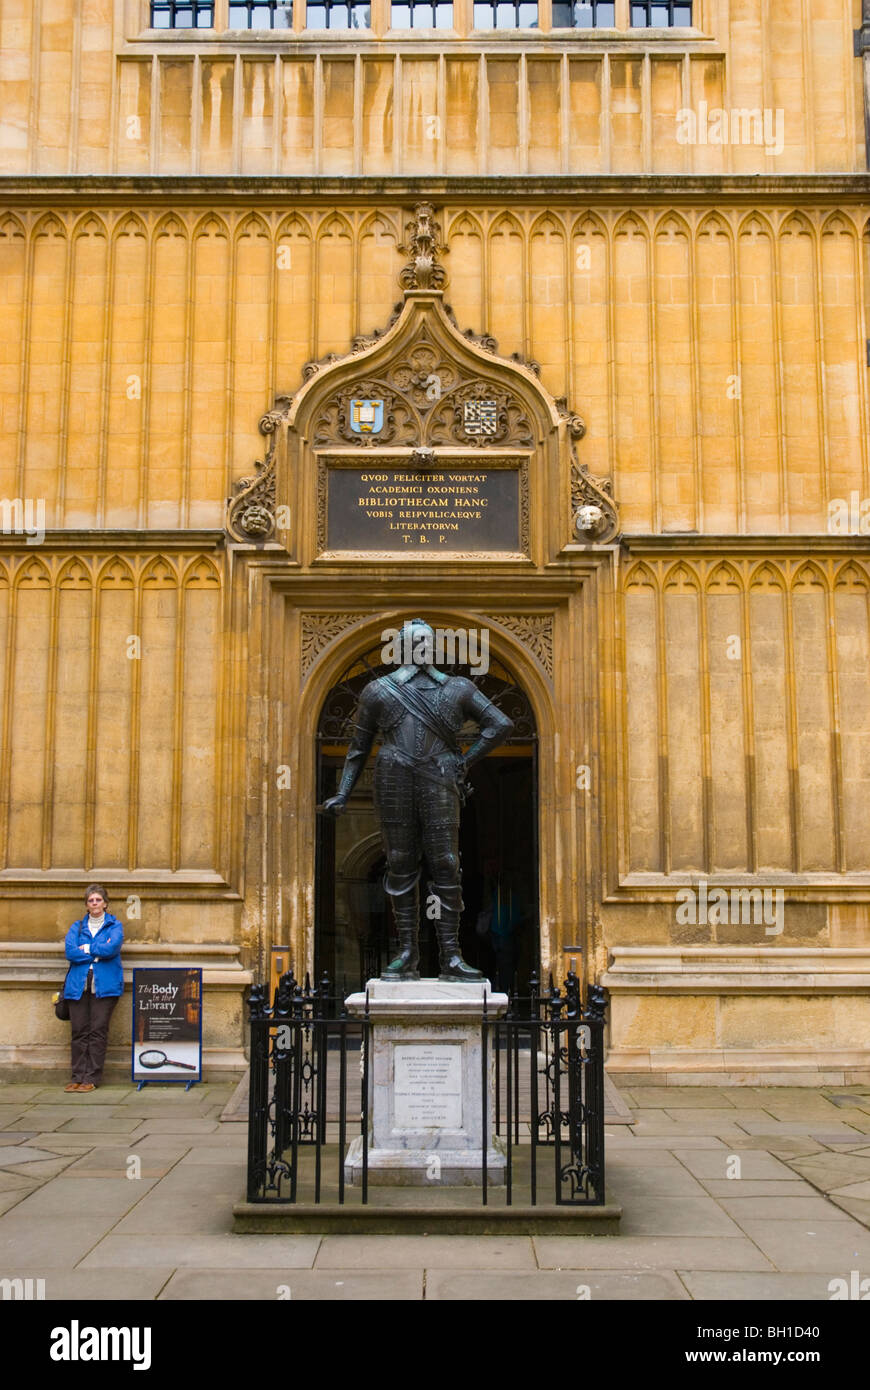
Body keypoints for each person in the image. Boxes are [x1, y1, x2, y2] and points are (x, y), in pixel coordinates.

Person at [320, 618, 514, 981]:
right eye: (416, 642)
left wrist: (464, 760)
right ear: (404, 648)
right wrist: (343, 793)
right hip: (393, 776)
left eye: (428, 642)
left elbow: (500, 723)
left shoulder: (458, 688)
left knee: (445, 861)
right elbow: (358, 747)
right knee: (399, 862)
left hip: (439, 778)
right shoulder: (379, 691)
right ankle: (406, 952)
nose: (423, 648)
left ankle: (451, 956)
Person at [62, 885, 124, 1092]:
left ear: (105, 903)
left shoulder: (115, 926)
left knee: (97, 1032)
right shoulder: (77, 927)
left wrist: (87, 948)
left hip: (105, 986)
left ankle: (92, 1078)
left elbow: (112, 948)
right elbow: (70, 952)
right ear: (87, 905)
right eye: (91, 900)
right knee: (79, 1032)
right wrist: (97, 954)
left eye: (98, 900)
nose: (95, 903)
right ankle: (77, 1076)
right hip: (78, 986)